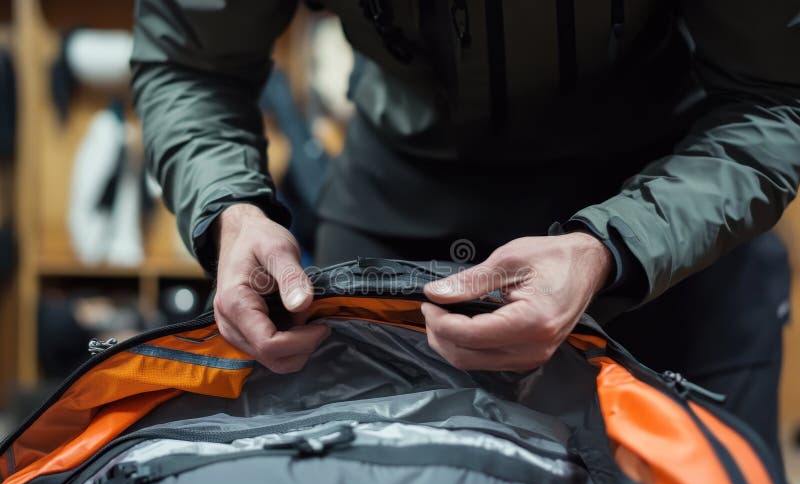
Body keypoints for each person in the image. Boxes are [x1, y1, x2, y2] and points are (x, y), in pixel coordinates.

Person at [131, 1, 800, 455]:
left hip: (666, 214)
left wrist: (614, 247)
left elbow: (778, 94)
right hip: (399, 193)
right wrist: (230, 210)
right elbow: (191, 60)